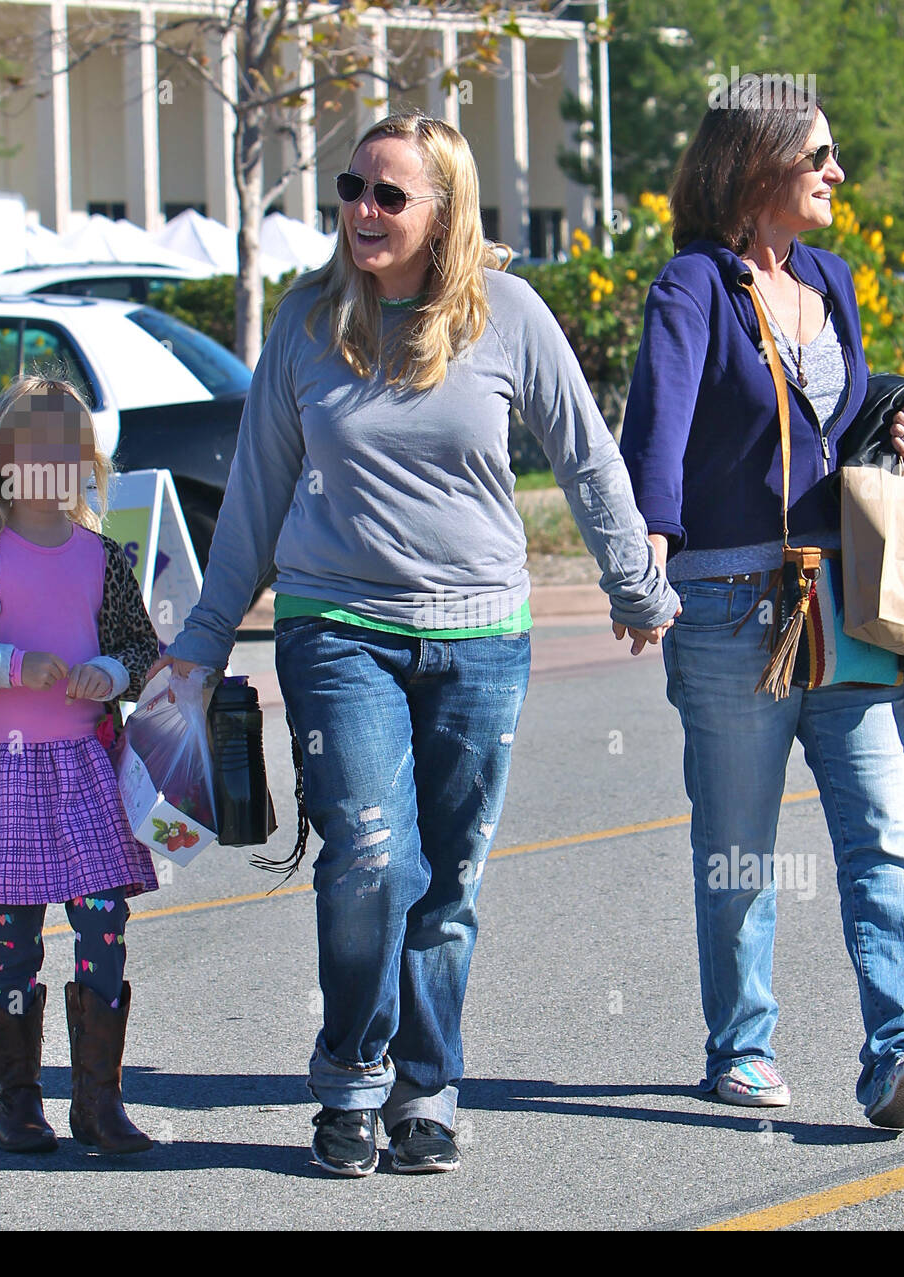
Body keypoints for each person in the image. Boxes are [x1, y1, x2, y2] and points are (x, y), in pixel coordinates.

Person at [153, 110, 679, 1177]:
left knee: (449, 881)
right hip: (336, 629)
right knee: (371, 860)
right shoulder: (306, 322)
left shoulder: (510, 317)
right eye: (351, 188)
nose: (361, 210)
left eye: (390, 195)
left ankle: (426, 1093)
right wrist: (205, 635)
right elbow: (255, 492)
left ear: (443, 212)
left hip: (481, 638)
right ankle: (350, 1077)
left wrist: (634, 580)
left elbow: (585, 457)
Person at [620, 88, 904, 1129]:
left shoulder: (830, 278)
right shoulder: (689, 287)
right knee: (740, 847)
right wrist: (645, 566)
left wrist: (892, 423)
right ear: (758, 161)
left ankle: (903, 1050)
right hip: (727, 604)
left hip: (841, 599)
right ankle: (742, 1043)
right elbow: (656, 438)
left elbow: (838, 419)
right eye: (819, 152)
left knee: (885, 829)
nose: (836, 172)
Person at [0, 375, 161, 1155]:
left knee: (101, 923)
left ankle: (98, 1103)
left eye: (67, 447)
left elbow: (142, 648)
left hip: (84, 766)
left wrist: (112, 674)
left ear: (86, 462)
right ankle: (17, 1101)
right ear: (2, 462)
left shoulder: (104, 557)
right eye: (32, 447)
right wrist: (12, 664)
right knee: (13, 939)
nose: (51, 461)